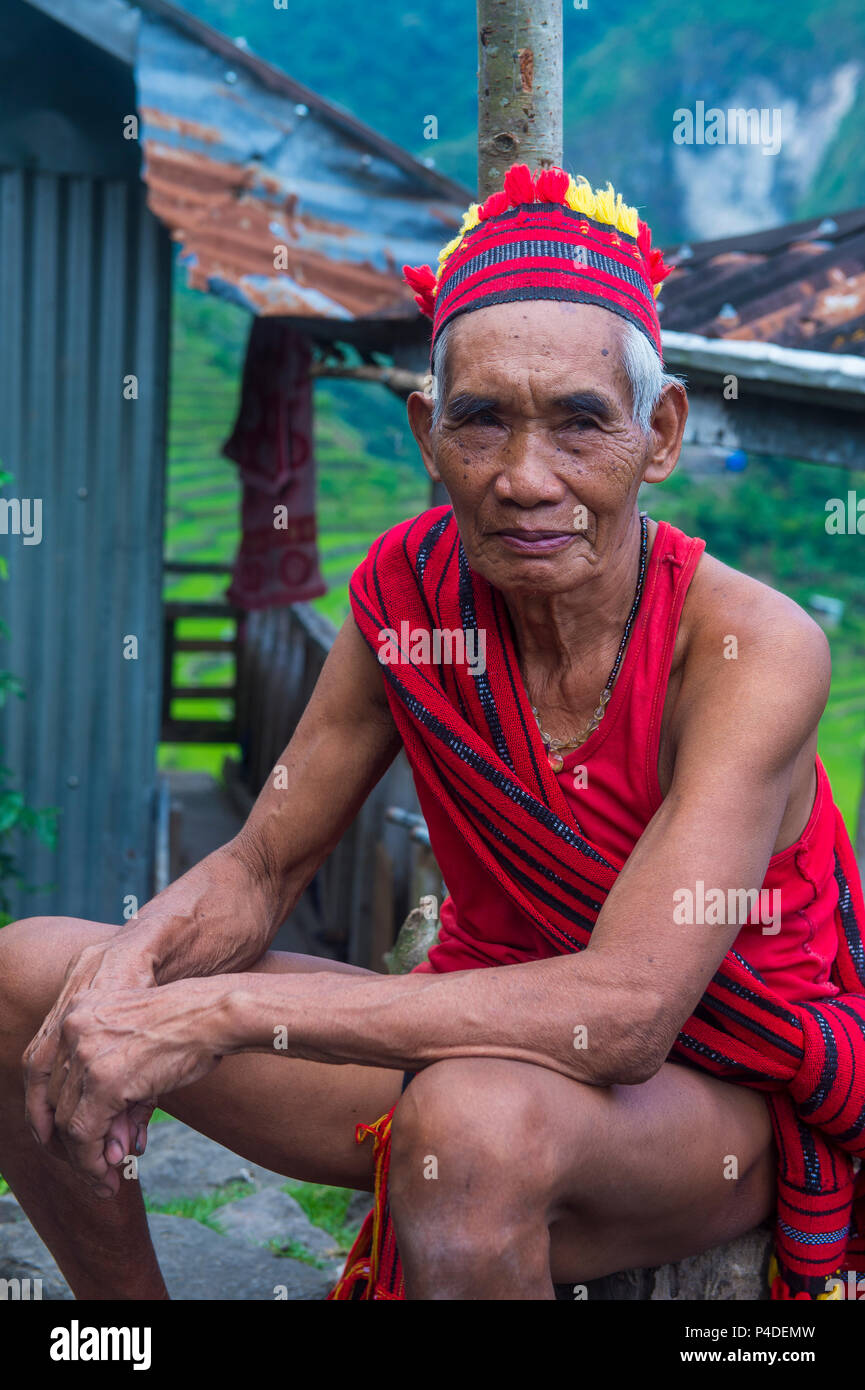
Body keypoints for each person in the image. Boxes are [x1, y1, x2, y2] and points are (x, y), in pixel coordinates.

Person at [1, 165, 863, 1302]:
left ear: (659, 434)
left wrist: (211, 1010)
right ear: (425, 429)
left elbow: (627, 1014)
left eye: (578, 423)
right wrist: (130, 976)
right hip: (471, 1036)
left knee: (474, 1125)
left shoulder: (750, 647)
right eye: (481, 420)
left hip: (700, 1103)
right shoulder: (407, 596)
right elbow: (262, 864)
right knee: (27, 980)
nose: (522, 478)